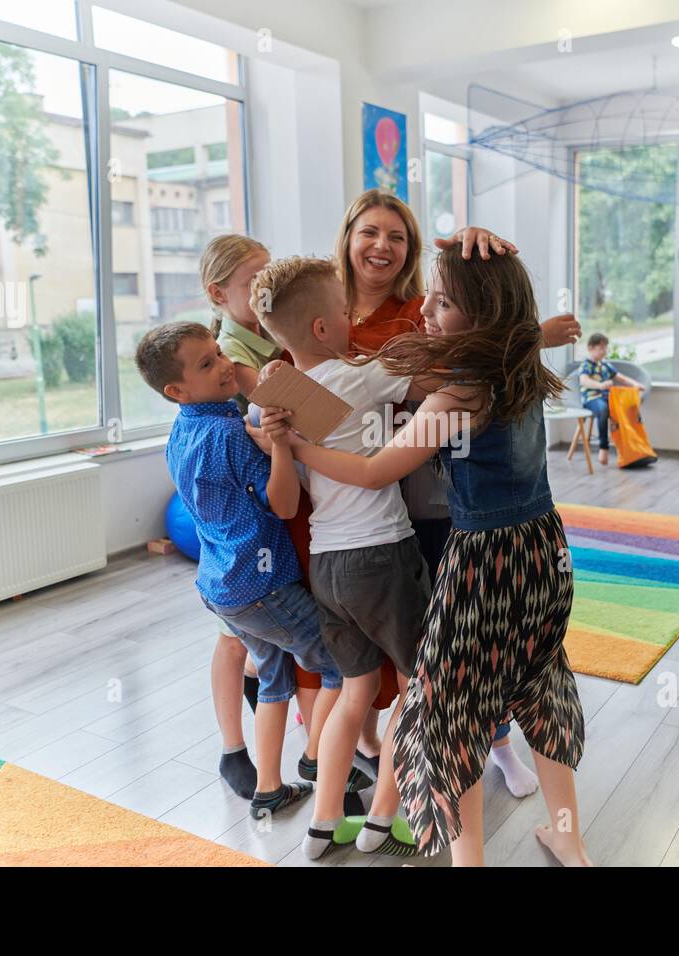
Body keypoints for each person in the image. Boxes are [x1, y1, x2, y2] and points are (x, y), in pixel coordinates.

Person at [267, 248, 591, 867]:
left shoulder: (454, 400)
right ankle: (570, 840)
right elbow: (511, 328)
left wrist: (299, 449)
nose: (426, 311)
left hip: (480, 563)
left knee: (452, 711)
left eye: (442, 303)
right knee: (544, 685)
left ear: (481, 317)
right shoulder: (523, 369)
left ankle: (469, 858)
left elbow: (371, 472)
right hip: (543, 552)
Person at [338, 188, 581, 774]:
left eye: (397, 236)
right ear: (345, 240)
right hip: (363, 514)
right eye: (369, 232)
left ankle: (471, 751)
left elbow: (480, 338)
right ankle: (367, 759)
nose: (382, 246)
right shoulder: (329, 317)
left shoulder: (432, 328)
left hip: (446, 512)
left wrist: (483, 250)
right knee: (387, 653)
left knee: (455, 659)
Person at [248, 256, 436, 861]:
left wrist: (283, 437)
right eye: (343, 308)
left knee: (354, 689)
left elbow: (281, 488)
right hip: (382, 552)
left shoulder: (272, 405)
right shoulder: (361, 377)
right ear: (326, 329)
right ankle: (384, 815)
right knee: (415, 685)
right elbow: (432, 381)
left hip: (326, 564)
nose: (353, 315)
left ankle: (324, 823)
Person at [133, 321, 343, 819]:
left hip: (221, 585)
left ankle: (269, 787)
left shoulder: (183, 432)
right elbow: (284, 504)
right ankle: (318, 759)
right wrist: (282, 449)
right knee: (339, 664)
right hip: (263, 585)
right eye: (206, 364)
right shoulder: (230, 435)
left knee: (274, 680)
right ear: (176, 389)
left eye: (218, 353)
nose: (225, 365)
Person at [578, 332, 644, 466]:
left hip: (607, 398)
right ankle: (603, 447)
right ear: (591, 348)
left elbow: (621, 378)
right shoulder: (587, 365)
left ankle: (632, 448)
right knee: (603, 409)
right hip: (592, 399)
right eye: (601, 348)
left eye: (605, 348)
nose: (604, 351)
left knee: (627, 409)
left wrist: (636, 384)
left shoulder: (605, 365)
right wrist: (600, 385)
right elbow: (584, 380)